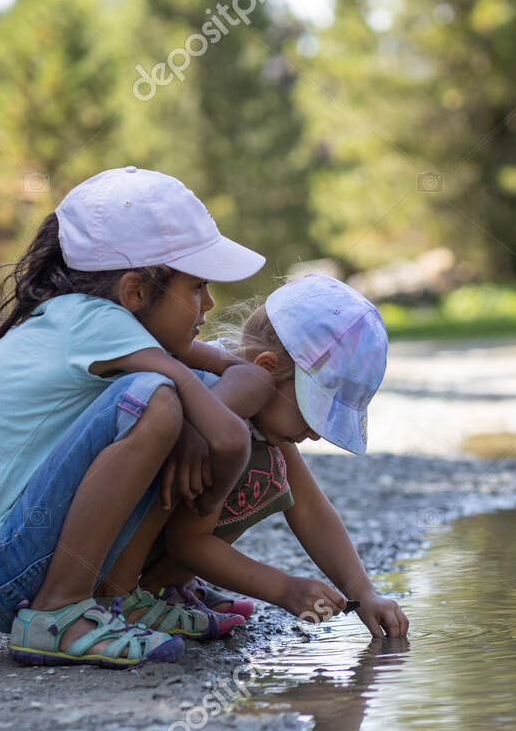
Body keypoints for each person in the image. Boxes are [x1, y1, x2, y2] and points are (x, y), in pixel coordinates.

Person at [0, 165, 276, 666]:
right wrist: (202, 451)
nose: (209, 305)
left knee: (182, 396)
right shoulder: (96, 322)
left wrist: (199, 420)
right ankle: (58, 612)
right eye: (197, 287)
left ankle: (117, 601)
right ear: (135, 292)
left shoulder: (104, 325)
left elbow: (244, 377)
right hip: (0, 573)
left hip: (18, 563)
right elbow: (230, 437)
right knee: (154, 400)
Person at [138, 274, 410, 640]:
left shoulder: (259, 416)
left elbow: (311, 510)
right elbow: (188, 542)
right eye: (311, 413)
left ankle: (164, 586)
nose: (315, 432)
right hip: (104, 544)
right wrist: (284, 589)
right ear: (266, 368)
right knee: (262, 473)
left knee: (270, 466)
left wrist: (364, 592)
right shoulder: (214, 400)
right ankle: (140, 594)